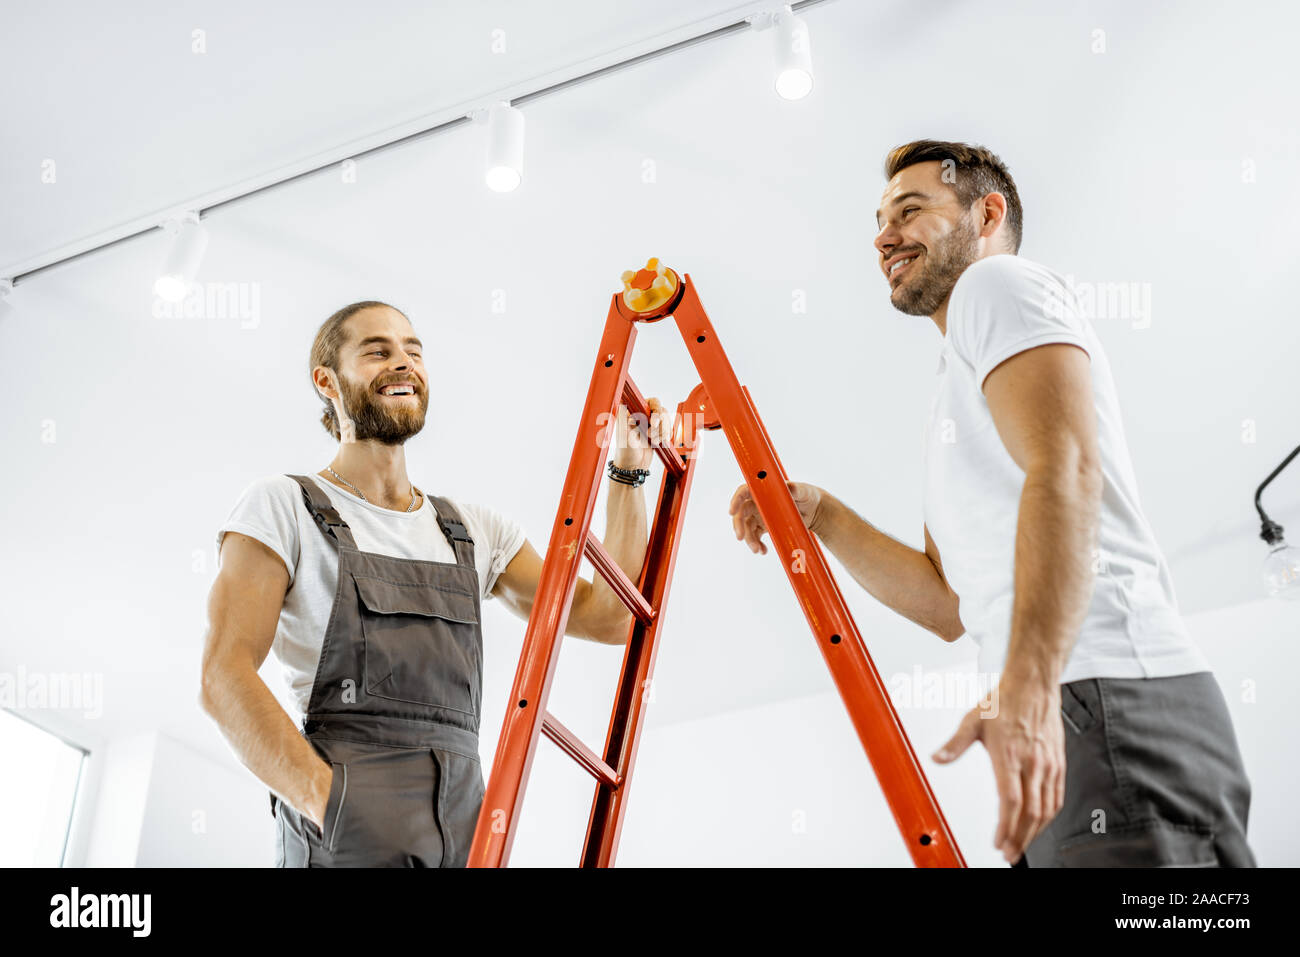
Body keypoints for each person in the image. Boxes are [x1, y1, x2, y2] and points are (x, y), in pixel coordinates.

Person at [728, 140, 1256, 867]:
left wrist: (1031, 690)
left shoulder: (994, 285)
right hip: (1068, 706)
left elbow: (1066, 466)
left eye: (910, 211)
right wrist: (821, 513)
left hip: (1098, 694)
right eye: (879, 221)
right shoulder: (957, 385)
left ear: (987, 213)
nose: (884, 236)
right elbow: (950, 606)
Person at [200, 299, 670, 867]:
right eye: (377, 351)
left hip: (466, 824)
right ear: (326, 381)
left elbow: (611, 617)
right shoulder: (284, 504)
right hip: (345, 823)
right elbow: (223, 677)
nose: (403, 362)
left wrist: (626, 473)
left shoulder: (474, 530)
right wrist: (329, 808)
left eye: (413, 351)